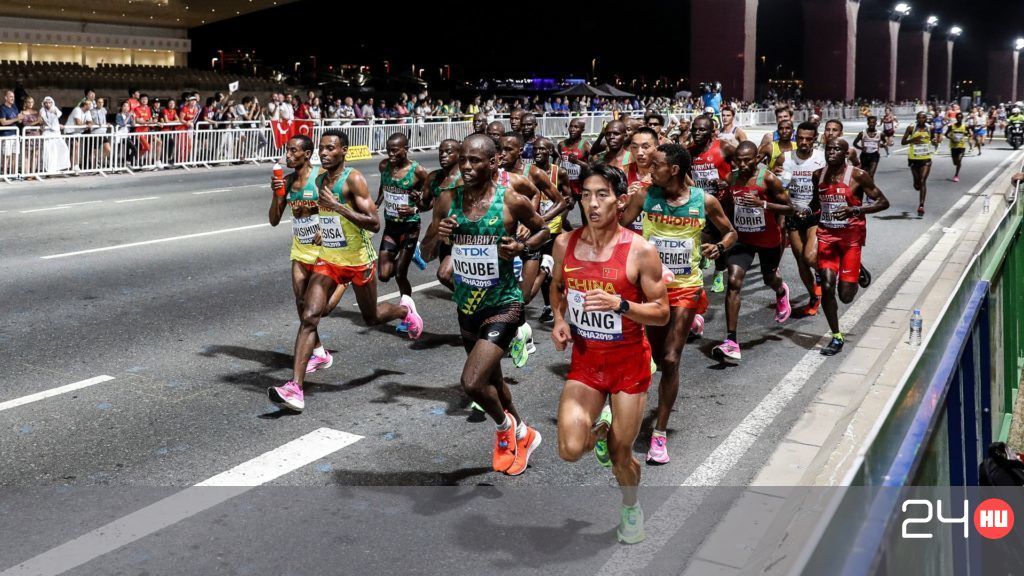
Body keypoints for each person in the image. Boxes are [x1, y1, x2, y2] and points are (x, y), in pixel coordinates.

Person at [551, 163, 670, 545]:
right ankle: (597, 432)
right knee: (570, 450)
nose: (592, 203)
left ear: (620, 201)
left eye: (602, 195)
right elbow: (556, 287)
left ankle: (631, 507)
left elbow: (662, 311)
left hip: (628, 365)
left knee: (622, 456)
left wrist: (621, 306)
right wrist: (559, 319)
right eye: (586, 195)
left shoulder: (640, 251)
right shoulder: (564, 244)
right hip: (586, 363)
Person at [420, 134, 550, 476]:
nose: (466, 166)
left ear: (494, 164)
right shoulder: (448, 200)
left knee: (473, 383)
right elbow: (427, 249)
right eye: (463, 159)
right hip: (467, 306)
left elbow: (543, 231)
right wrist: (438, 231)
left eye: (475, 160)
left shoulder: (511, 201)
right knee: (494, 383)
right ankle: (525, 433)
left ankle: (504, 429)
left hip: (504, 304)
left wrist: (520, 248)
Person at [268, 130, 424, 413]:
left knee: (372, 316)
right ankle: (295, 388)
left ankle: (404, 312)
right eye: (322, 149)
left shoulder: (353, 178)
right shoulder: (317, 180)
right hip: (328, 260)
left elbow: (374, 223)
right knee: (309, 316)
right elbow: (315, 215)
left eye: (331, 148)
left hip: (358, 261)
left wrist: (338, 207)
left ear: (344, 151)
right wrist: (321, 231)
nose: (325, 153)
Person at [620, 144, 737, 463]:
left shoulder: (704, 201)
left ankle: (659, 435)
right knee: (656, 355)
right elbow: (617, 228)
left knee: (670, 360)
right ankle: (687, 325)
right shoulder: (644, 196)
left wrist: (719, 247)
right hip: (651, 288)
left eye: (655, 164)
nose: (648, 169)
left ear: (673, 169)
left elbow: (730, 232)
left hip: (686, 287)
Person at [268, 135, 348, 375]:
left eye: (294, 151)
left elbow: (344, 209)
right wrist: (276, 194)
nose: (288, 156)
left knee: (322, 310)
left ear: (307, 153)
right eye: (287, 151)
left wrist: (327, 229)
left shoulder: (321, 178)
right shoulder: (289, 181)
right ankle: (320, 353)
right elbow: (273, 220)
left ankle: (346, 280)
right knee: (303, 306)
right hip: (300, 251)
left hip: (325, 252)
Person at [713, 141, 794, 362]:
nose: (742, 164)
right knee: (734, 282)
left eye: (747, 160)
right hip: (743, 240)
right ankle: (731, 341)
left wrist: (763, 204)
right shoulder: (732, 177)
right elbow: (728, 208)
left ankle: (780, 291)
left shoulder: (768, 179)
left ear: (757, 158)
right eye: (738, 160)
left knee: (770, 278)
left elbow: (791, 209)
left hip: (768, 240)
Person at [809, 138, 889, 356]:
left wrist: (854, 211)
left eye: (837, 149)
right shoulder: (818, 175)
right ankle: (836, 336)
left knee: (845, 296)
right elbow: (816, 205)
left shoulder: (858, 175)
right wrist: (804, 213)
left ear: (845, 153)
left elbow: (883, 202)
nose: (831, 152)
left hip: (850, 238)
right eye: (828, 148)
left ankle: (857, 268)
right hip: (826, 235)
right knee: (826, 286)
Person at [375, 133, 430, 299]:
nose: (390, 154)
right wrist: (376, 204)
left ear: (406, 150)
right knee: (384, 275)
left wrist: (415, 208)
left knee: (400, 274)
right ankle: (410, 254)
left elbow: (429, 201)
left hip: (410, 227)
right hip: (391, 226)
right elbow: (383, 186)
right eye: (388, 150)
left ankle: (408, 313)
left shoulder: (418, 172)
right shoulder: (384, 166)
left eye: (395, 151)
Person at [780, 121, 827, 315]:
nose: (804, 142)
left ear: (814, 140)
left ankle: (826, 274)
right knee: (800, 259)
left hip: (814, 214)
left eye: (808, 139)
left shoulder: (821, 158)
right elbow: (781, 187)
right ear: (795, 138)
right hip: (794, 214)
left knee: (809, 256)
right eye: (800, 138)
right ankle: (814, 296)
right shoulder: (786, 158)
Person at [689, 115, 735, 294]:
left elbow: (746, 167)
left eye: (702, 130)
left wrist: (728, 181)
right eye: (695, 129)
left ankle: (719, 271)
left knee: (720, 239)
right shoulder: (690, 152)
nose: (697, 133)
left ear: (712, 132)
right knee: (699, 238)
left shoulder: (723, 147)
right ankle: (699, 269)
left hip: (723, 204)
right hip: (700, 203)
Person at [530, 137, 572, 322]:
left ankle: (555, 306)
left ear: (549, 151)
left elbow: (568, 199)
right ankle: (549, 306)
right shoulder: (529, 173)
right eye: (535, 149)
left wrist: (560, 219)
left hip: (553, 228)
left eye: (542, 149)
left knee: (551, 273)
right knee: (539, 268)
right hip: (534, 228)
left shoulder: (559, 173)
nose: (538, 152)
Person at [419, 138, 463, 290]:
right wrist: (415, 202)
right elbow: (425, 205)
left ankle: (473, 302)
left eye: (449, 152)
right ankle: (470, 303)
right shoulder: (433, 177)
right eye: (441, 152)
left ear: (459, 154)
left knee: (444, 274)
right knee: (452, 277)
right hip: (441, 235)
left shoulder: (465, 178)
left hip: (461, 235)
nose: (443, 155)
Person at [558, 117, 591, 222]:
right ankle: (572, 234)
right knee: (560, 219)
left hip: (581, 187)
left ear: (582, 130)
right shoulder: (562, 145)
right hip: (566, 187)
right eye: (571, 126)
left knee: (585, 218)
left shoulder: (585, 145)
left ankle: (585, 237)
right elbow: (558, 161)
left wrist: (578, 162)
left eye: (576, 127)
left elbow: (592, 167)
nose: (572, 129)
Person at [901, 111, 933, 217]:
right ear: (916, 118)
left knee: (923, 180)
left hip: (926, 159)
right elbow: (903, 142)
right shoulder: (911, 128)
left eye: (923, 118)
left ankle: (921, 205)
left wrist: (936, 141)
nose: (921, 119)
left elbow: (932, 140)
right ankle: (916, 183)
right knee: (917, 185)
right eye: (919, 117)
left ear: (926, 119)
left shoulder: (929, 128)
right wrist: (913, 139)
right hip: (913, 159)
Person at [39, 96, 70, 173]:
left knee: (63, 149)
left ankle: (58, 168)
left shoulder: (54, 108)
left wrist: (55, 112)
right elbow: (43, 120)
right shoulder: (42, 110)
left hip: (56, 133)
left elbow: (59, 114)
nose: (48, 104)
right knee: (48, 153)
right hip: (47, 133)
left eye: (49, 102)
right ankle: (48, 170)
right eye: (46, 103)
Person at [0, 89, 23, 175]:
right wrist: (16, 119)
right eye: (11, 97)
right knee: (6, 155)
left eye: (13, 97)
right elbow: (3, 122)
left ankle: (13, 174)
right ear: (6, 98)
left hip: (15, 134)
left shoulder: (14, 107)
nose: (13, 98)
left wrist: (20, 118)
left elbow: (18, 120)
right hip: (6, 135)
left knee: (15, 155)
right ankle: (4, 174)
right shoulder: (2, 108)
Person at [945, 112, 969, 183]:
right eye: (958, 117)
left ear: (962, 118)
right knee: (955, 162)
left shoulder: (964, 126)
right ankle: (957, 164)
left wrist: (968, 134)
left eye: (960, 117)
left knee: (959, 160)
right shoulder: (951, 126)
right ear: (956, 118)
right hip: (953, 146)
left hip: (962, 146)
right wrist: (951, 138)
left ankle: (956, 175)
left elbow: (968, 133)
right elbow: (946, 134)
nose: (959, 119)